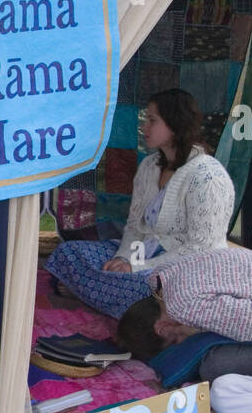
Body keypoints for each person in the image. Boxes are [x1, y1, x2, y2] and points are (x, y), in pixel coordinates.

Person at [46, 90, 234, 317]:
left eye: (152, 120)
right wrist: (123, 258)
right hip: (144, 255)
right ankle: (112, 298)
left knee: (144, 289)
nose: (144, 127)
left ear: (175, 124)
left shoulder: (208, 175)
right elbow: (136, 226)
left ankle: (98, 294)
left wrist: (136, 268)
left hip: (185, 271)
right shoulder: (150, 166)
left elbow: (200, 250)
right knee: (69, 253)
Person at [116, 248, 252, 413]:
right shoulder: (160, 278)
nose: (185, 344)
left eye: (176, 343)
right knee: (224, 387)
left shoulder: (182, 306)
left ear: (163, 328)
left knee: (216, 365)